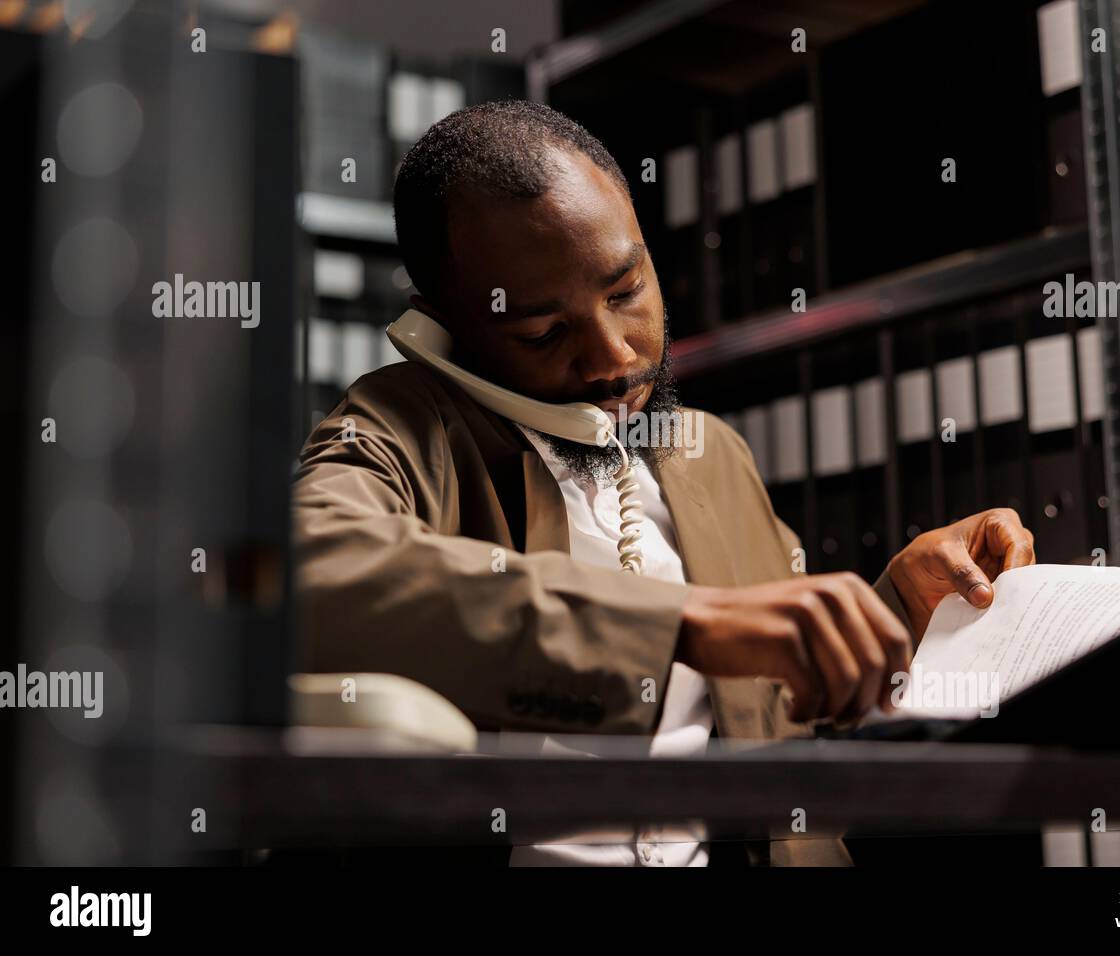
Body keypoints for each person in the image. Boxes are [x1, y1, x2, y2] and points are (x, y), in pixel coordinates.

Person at [292, 99, 1035, 866]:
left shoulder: (705, 450)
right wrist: (681, 624)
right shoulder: (400, 425)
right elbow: (316, 578)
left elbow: (778, 720)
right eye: (543, 333)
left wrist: (898, 610)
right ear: (443, 327)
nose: (615, 357)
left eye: (626, 292)